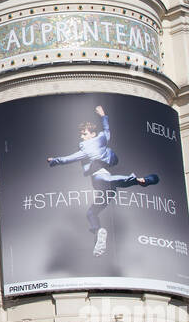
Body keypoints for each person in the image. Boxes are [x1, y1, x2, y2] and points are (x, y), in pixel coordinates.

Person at [48, 104, 160, 258]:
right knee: (91, 213)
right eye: (81, 134)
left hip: (100, 180)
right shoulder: (101, 139)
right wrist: (103, 116)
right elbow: (107, 132)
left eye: (84, 133)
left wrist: (54, 160)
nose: (82, 136)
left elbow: (68, 159)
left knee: (106, 181)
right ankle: (99, 232)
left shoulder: (86, 148)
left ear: (92, 134)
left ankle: (138, 180)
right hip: (106, 188)